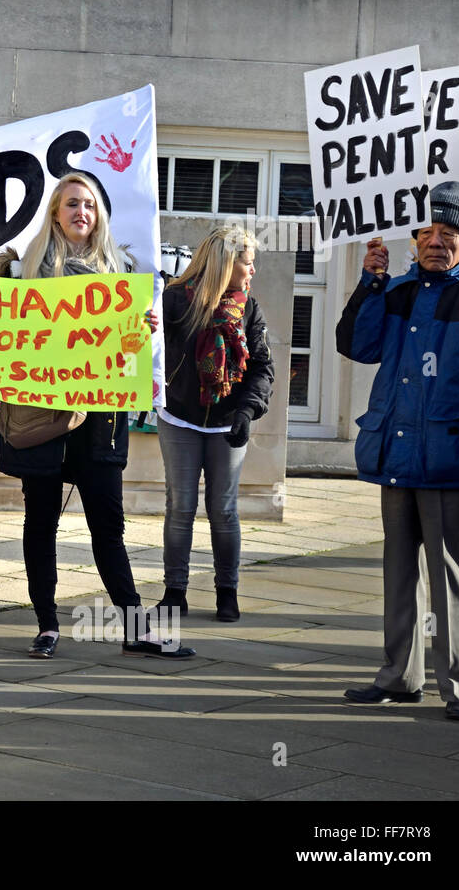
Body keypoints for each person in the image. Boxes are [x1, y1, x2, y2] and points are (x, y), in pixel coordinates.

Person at [0, 172, 194, 661]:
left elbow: (137, 352)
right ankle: (47, 624)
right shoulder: (18, 273)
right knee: (41, 520)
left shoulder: (123, 273)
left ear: (100, 216)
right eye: (71, 203)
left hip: (100, 421)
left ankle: (135, 625)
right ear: (55, 212)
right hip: (40, 418)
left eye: (89, 205)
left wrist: (146, 326)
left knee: (107, 524)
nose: (81, 212)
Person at [336, 180, 459, 721]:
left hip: (451, 459)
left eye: (448, 234)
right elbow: (357, 345)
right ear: (414, 240)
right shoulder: (393, 291)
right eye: (427, 232)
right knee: (399, 571)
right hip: (397, 455)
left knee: (451, 577)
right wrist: (370, 284)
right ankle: (399, 676)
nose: (436, 241)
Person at [156, 225, 274, 623]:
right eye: (247, 263)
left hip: (228, 421)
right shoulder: (173, 300)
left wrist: (247, 411)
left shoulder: (249, 310)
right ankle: (175, 592)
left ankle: (228, 592)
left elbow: (262, 367)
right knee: (181, 506)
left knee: (223, 508)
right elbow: (146, 346)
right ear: (226, 263)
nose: (251, 271)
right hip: (178, 417)